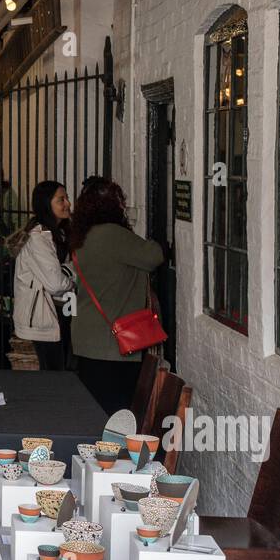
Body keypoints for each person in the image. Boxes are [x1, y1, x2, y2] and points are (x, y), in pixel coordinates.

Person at [68, 179, 164, 417]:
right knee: (116, 415)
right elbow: (155, 256)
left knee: (92, 411)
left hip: (85, 338)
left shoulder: (81, 238)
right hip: (115, 344)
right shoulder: (115, 235)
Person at [7, 180, 75, 372]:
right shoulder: (38, 237)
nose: (68, 203)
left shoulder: (60, 233)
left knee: (58, 369)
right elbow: (55, 283)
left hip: (59, 309)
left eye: (67, 198)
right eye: (61, 200)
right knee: (52, 374)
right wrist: (71, 279)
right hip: (43, 315)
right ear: (46, 204)